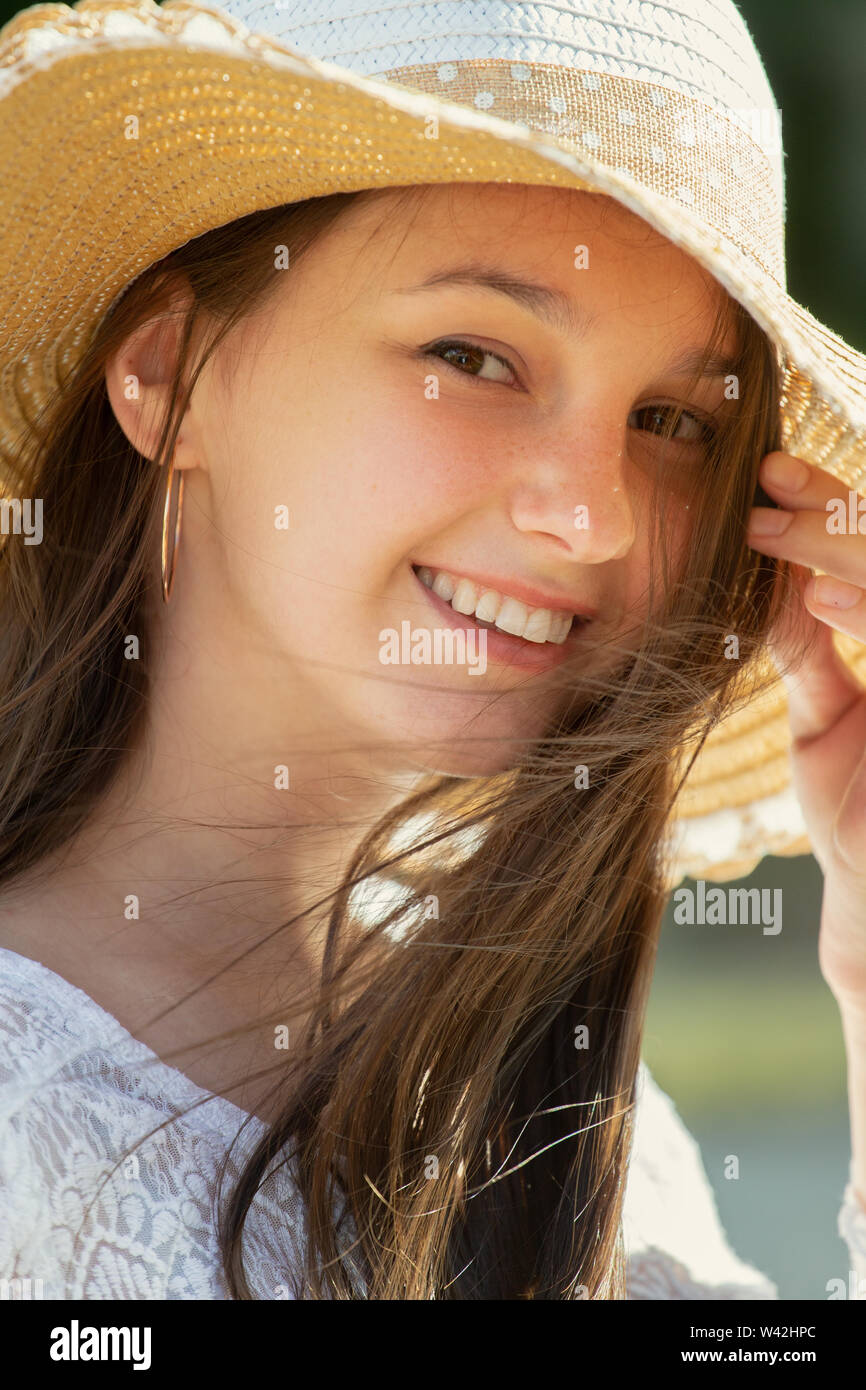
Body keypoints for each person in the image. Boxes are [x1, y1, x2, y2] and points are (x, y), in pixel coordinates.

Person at [0, 0, 864, 1300]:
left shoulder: (579, 1106)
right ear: (170, 365)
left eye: (672, 418)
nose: (592, 510)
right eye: (472, 355)